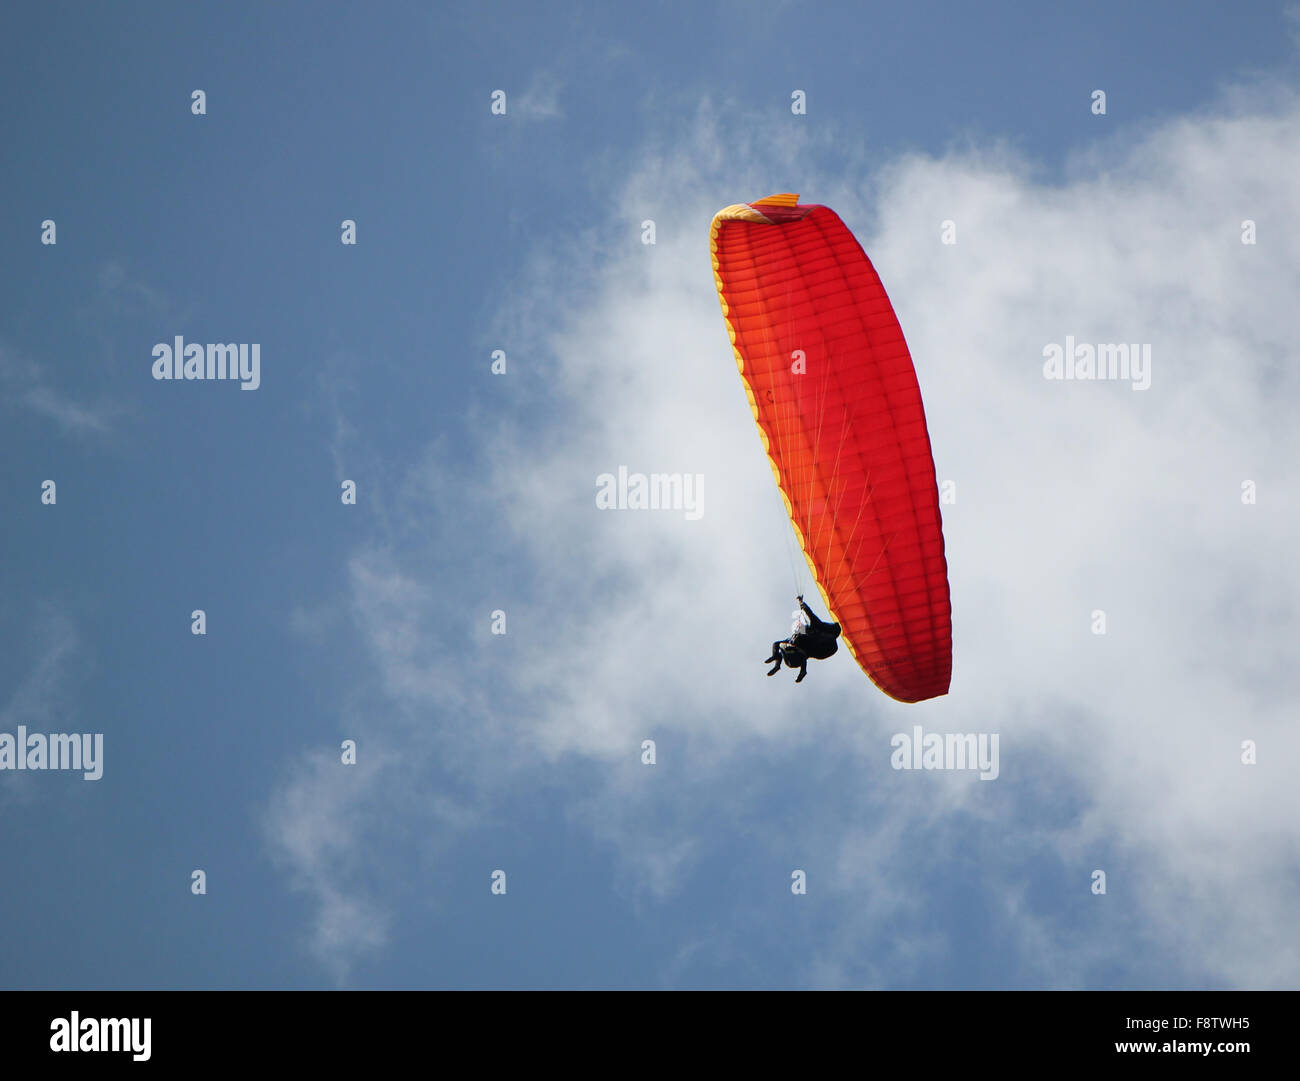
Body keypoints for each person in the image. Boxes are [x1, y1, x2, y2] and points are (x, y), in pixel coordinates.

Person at [764, 595, 841, 683]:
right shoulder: (800, 637)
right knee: (780, 644)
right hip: (796, 657)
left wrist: (801, 602)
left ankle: (800, 670)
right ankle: (777, 664)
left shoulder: (817, 627)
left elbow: (809, 613)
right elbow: (778, 644)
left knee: (800, 646)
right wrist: (801, 602)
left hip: (822, 649)